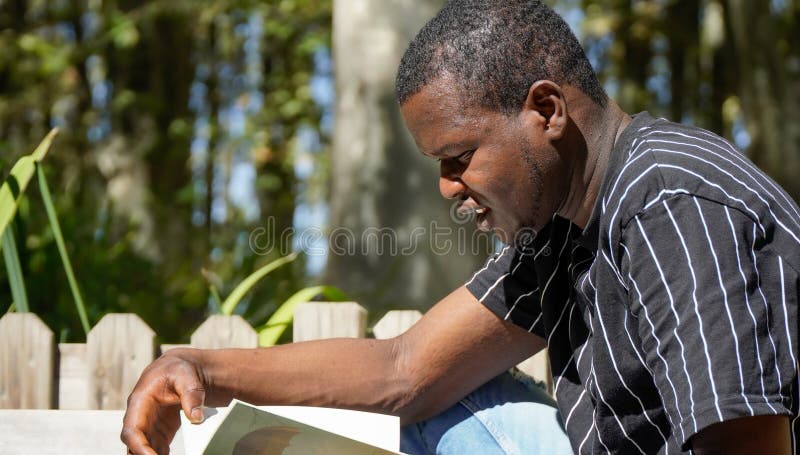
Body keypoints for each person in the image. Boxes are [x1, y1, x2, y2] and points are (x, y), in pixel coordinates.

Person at [121, 1, 800, 453]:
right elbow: (406, 368)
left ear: (545, 110)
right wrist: (199, 367)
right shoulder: (564, 220)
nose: (450, 189)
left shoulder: (670, 202)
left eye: (459, 158)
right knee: (447, 401)